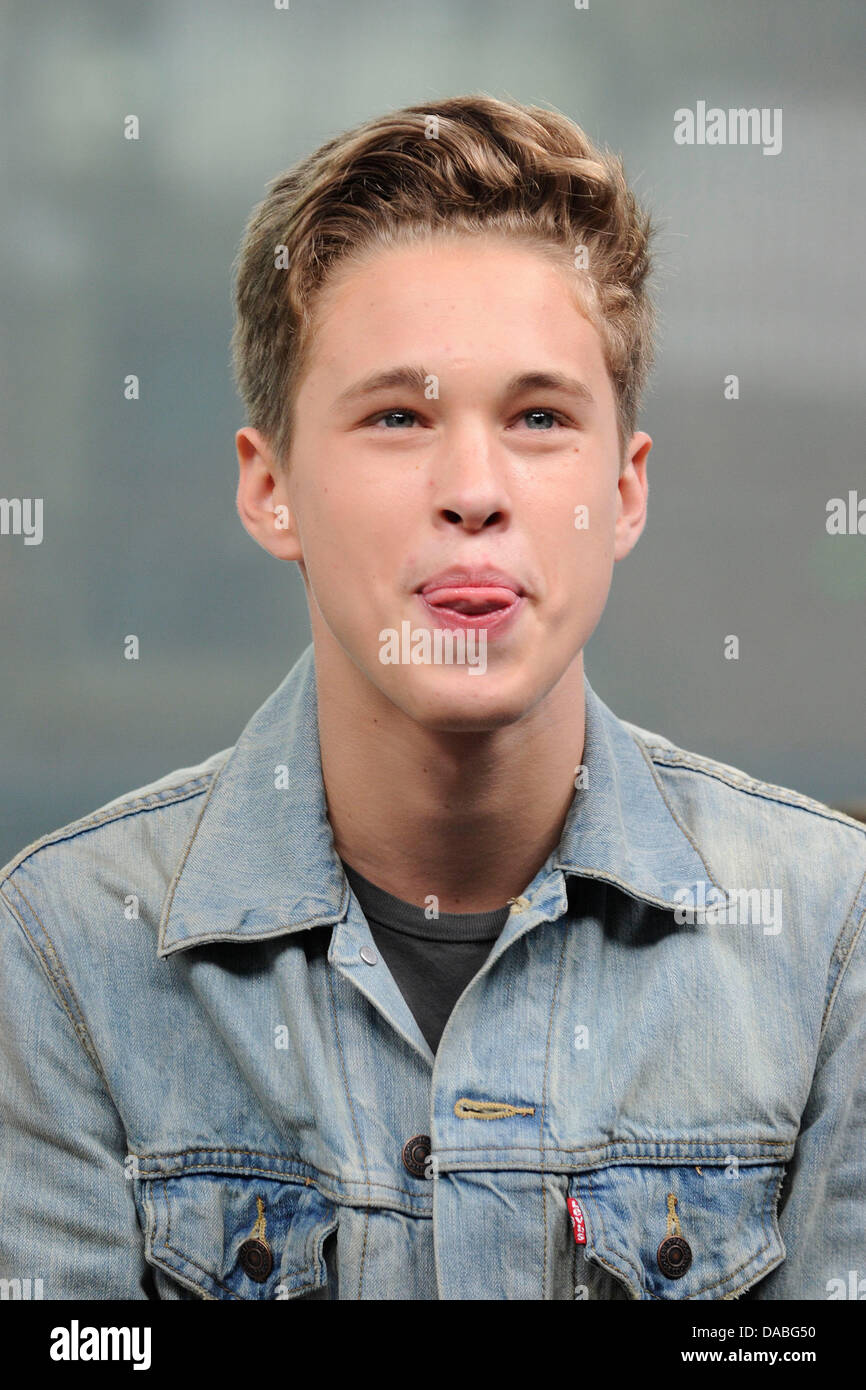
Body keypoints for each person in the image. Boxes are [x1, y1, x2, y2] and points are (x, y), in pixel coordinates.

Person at [1, 94, 863, 1301]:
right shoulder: (61, 949)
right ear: (270, 488)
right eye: (398, 416)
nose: (473, 490)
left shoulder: (829, 936)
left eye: (539, 417)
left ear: (623, 491)